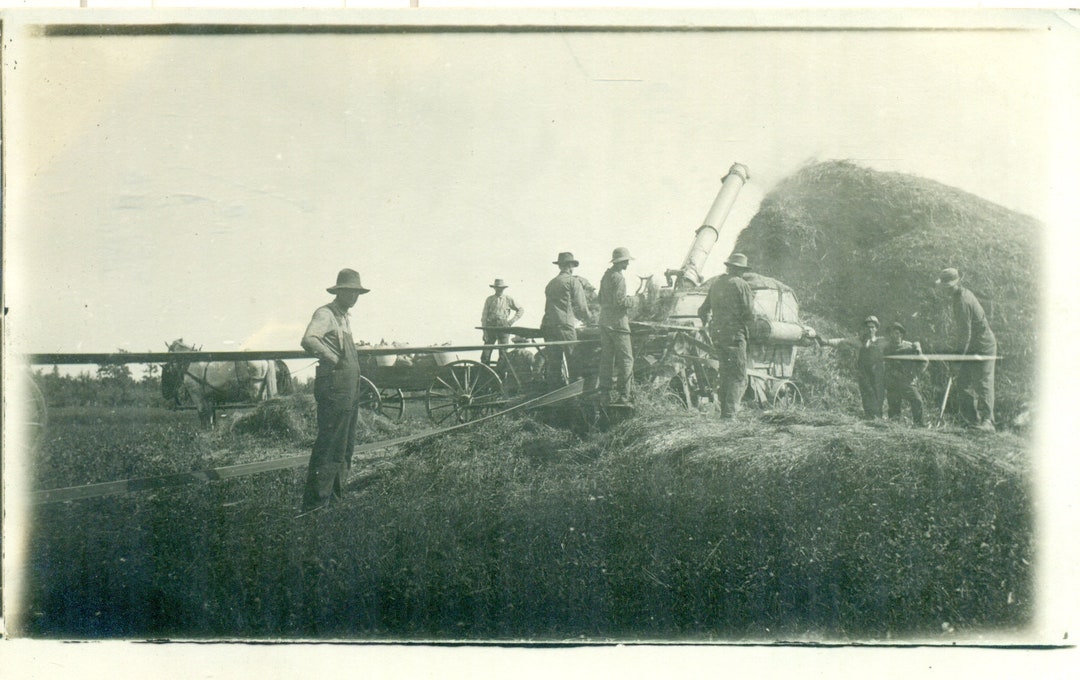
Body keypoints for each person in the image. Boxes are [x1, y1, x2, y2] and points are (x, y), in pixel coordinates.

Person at [299, 268, 370, 513]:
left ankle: (336, 502)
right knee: (330, 445)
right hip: (334, 386)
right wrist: (334, 358)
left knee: (345, 446)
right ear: (339, 291)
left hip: (348, 387)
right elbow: (309, 339)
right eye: (349, 291)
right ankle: (315, 506)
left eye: (357, 292)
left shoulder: (344, 317)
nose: (354, 296)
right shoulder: (325, 313)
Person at [936, 267, 997, 432]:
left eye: (945, 287)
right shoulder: (958, 297)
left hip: (983, 345)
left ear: (952, 285)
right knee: (963, 382)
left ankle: (987, 422)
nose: (943, 290)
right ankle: (971, 421)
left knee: (982, 382)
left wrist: (957, 361)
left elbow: (965, 335)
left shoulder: (962, 301)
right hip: (971, 346)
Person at [697, 252, 755, 418]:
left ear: (729, 267)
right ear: (740, 270)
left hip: (718, 336)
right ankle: (729, 416)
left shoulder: (716, 284)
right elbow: (750, 313)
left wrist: (708, 324)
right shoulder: (741, 285)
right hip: (735, 336)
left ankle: (723, 413)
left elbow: (702, 310)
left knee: (725, 373)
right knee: (738, 375)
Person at [820, 315, 889, 420]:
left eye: (872, 327)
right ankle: (869, 418)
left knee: (879, 395)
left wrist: (915, 345)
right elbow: (842, 341)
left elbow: (899, 343)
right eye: (868, 327)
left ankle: (878, 418)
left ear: (876, 328)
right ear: (864, 328)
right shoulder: (858, 341)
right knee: (866, 394)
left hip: (878, 373)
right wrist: (826, 341)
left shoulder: (882, 341)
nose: (870, 329)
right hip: (864, 373)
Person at [541, 252, 592, 389]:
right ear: (570, 266)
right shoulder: (572, 281)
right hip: (564, 325)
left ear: (560, 266)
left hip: (548, 325)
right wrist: (590, 319)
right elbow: (582, 307)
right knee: (574, 358)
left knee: (554, 363)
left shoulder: (551, 283)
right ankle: (575, 393)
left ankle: (555, 393)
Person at [598, 247, 635, 404]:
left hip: (604, 323)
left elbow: (600, 299)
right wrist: (634, 300)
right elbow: (620, 302)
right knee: (626, 360)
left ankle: (604, 394)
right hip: (618, 324)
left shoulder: (606, 276)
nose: (628, 263)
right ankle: (623, 397)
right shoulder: (619, 278)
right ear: (621, 262)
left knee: (607, 359)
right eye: (626, 261)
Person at [883, 321, 928, 427]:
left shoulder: (909, 347)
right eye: (892, 333)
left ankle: (919, 425)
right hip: (893, 382)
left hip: (906, 381)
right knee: (894, 407)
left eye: (897, 333)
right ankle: (895, 427)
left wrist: (916, 374)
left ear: (901, 335)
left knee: (917, 400)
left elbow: (924, 361)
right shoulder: (887, 348)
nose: (895, 336)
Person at [479, 278, 524, 365]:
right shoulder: (489, 299)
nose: (499, 290)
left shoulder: (508, 299)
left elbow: (521, 310)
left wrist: (511, 321)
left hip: (504, 326)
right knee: (486, 353)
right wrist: (484, 332)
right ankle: (484, 375)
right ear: (494, 288)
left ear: (503, 289)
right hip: (490, 326)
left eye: (501, 288)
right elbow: (484, 316)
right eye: (497, 288)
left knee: (503, 354)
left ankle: (501, 376)